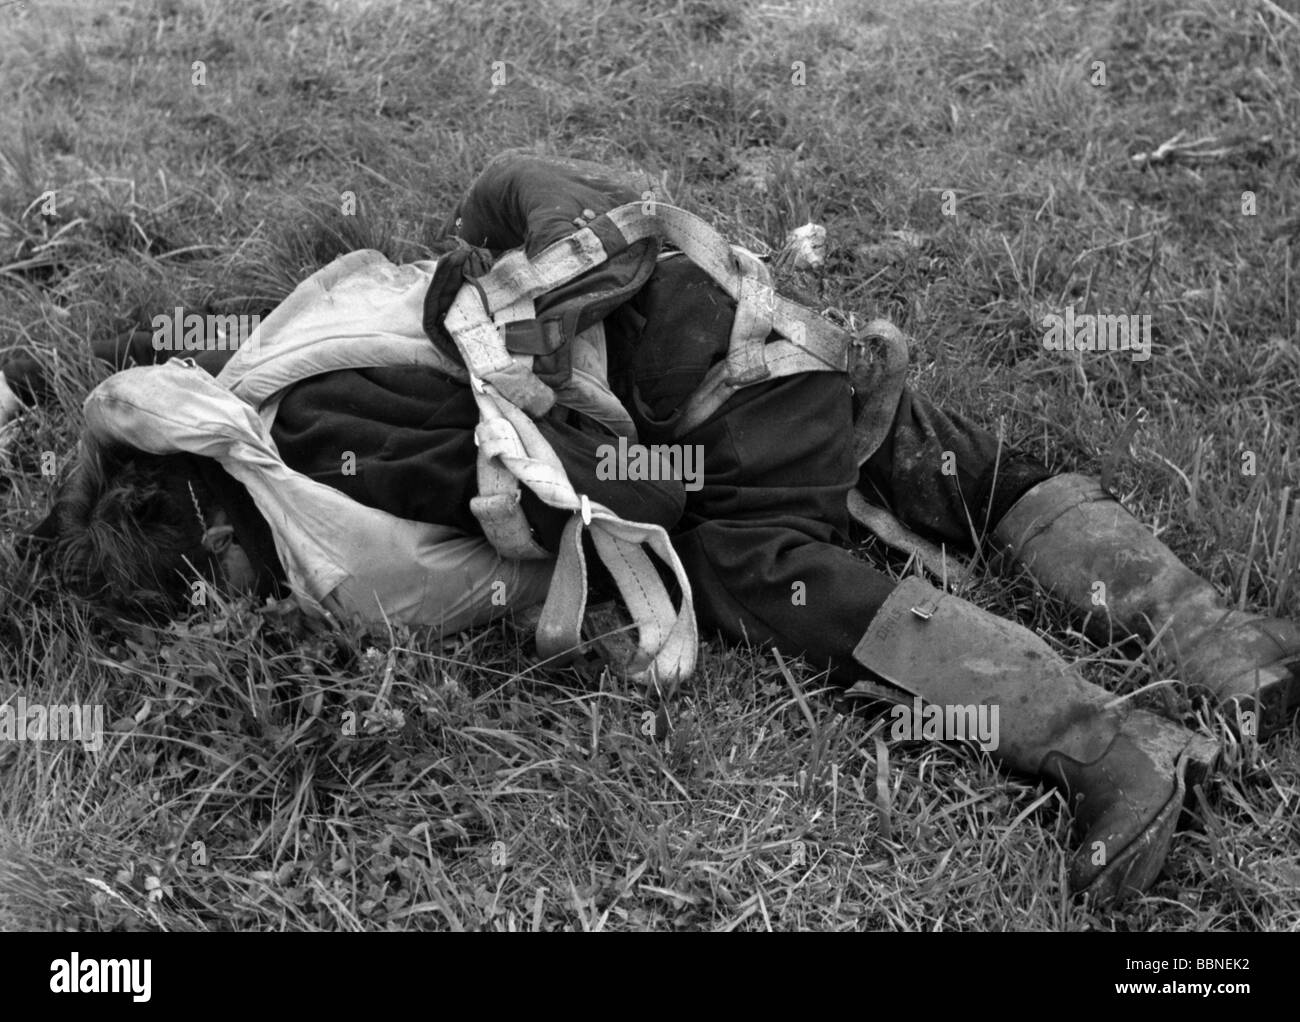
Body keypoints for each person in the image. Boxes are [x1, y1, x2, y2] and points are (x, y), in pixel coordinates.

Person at [11, 150, 1298, 904]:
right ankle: (1223, 639)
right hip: (765, 330)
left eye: (215, 581)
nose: (244, 603)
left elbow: (632, 490)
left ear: (206, 522)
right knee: (951, 463)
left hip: (706, 393)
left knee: (768, 571)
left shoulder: (315, 448)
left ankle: (1111, 748)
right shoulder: (266, 384)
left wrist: (619, 547)